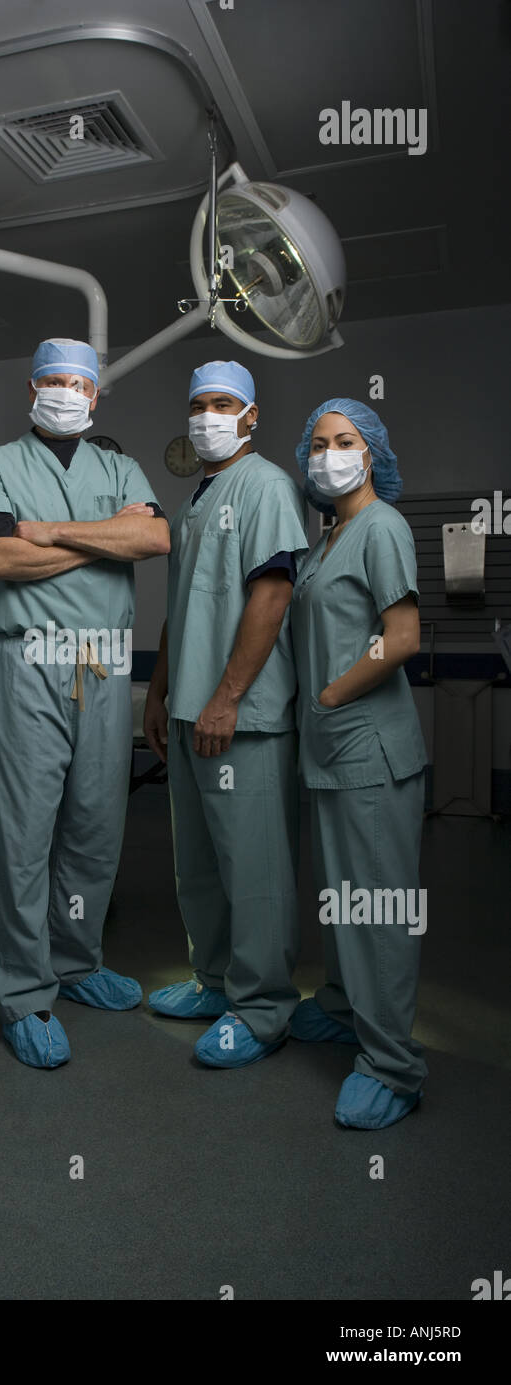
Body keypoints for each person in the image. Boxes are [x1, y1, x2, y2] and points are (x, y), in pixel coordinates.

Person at [0, 338, 169, 1068]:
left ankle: (76, 961)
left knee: (96, 824)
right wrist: (107, 540)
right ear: (32, 387)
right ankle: (22, 992)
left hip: (103, 663)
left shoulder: (121, 465)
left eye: (80, 383)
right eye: (53, 381)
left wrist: (50, 531)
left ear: (96, 396)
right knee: (25, 832)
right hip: (23, 660)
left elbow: (156, 536)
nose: (66, 392)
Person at [144, 361, 308, 1067]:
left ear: (251, 416)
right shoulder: (197, 498)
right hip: (189, 710)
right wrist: (160, 692)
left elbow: (271, 596)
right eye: (199, 403)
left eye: (223, 404)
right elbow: (183, 609)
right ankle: (213, 980)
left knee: (253, 868)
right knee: (200, 864)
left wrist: (226, 697)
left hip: (240, 716)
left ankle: (262, 1005)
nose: (208, 415)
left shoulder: (266, 485)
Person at [288, 398, 427, 1129]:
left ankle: (394, 1067)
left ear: (370, 453)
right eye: (318, 443)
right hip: (334, 750)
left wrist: (332, 696)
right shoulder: (327, 540)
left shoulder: (381, 526)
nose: (329, 453)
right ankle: (344, 1008)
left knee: (379, 909)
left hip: (369, 749)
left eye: (344, 441)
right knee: (345, 897)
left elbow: (400, 636)